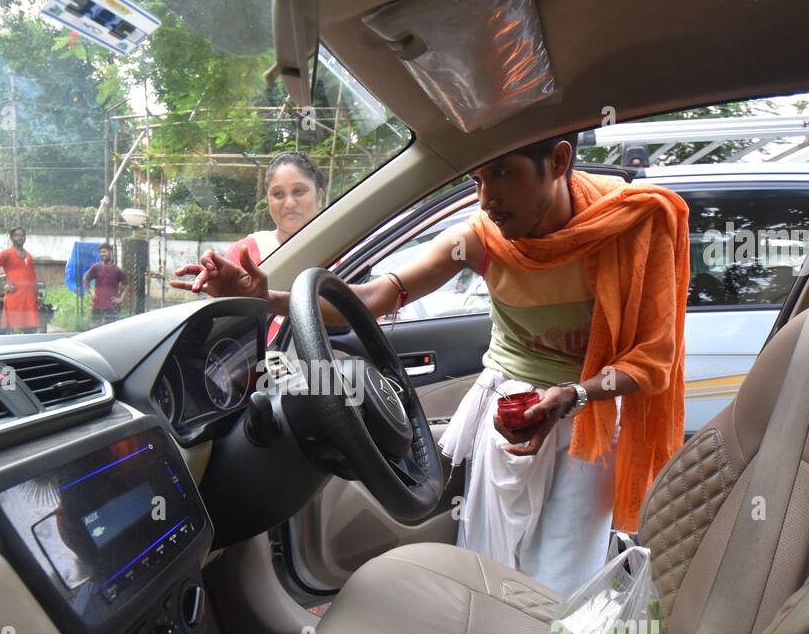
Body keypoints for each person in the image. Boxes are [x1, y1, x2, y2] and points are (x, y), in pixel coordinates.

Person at [172, 134, 689, 595]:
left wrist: (570, 396)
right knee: (491, 565)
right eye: (479, 179)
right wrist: (271, 297)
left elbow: (650, 359)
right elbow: (372, 297)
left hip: (589, 422)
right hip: (508, 409)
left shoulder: (631, 226)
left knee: (562, 581)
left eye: (504, 173)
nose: (487, 199)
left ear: (557, 161)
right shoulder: (482, 237)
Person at [179, 150, 326, 343]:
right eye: (278, 194)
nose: (289, 203)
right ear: (269, 200)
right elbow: (219, 332)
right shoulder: (246, 252)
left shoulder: (345, 250)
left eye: (299, 191)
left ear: (320, 196)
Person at [0, 227, 39, 334]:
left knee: (31, 329)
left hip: (29, 298)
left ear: (25, 238)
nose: (20, 237)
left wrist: (36, 294)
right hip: (14, 297)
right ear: (11, 238)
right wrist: (3, 286)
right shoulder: (6, 253)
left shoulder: (28, 255)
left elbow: (32, 276)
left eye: (22, 235)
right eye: (16, 235)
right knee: (13, 329)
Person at [82, 242, 128, 325]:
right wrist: (89, 293)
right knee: (94, 329)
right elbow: (85, 279)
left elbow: (127, 285)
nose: (102, 254)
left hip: (111, 307)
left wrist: (121, 298)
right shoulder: (96, 267)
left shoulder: (117, 270)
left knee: (109, 331)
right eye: (100, 252)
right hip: (97, 305)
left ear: (110, 252)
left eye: (104, 252)